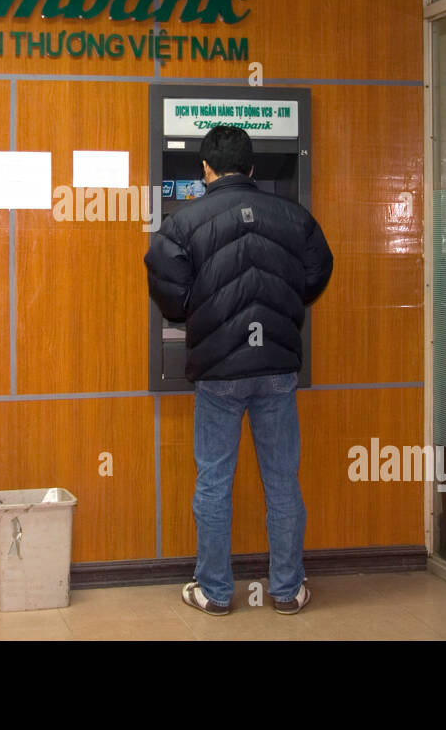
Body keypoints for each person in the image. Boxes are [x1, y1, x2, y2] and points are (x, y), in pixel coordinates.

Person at [145, 125, 333, 616]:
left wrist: (199, 308)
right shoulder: (295, 217)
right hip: (275, 366)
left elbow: (168, 289)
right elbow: (317, 273)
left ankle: (215, 592)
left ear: (206, 170)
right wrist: (284, 298)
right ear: (252, 168)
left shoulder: (183, 223)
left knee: (213, 481)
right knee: (282, 481)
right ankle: (287, 591)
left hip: (218, 372)